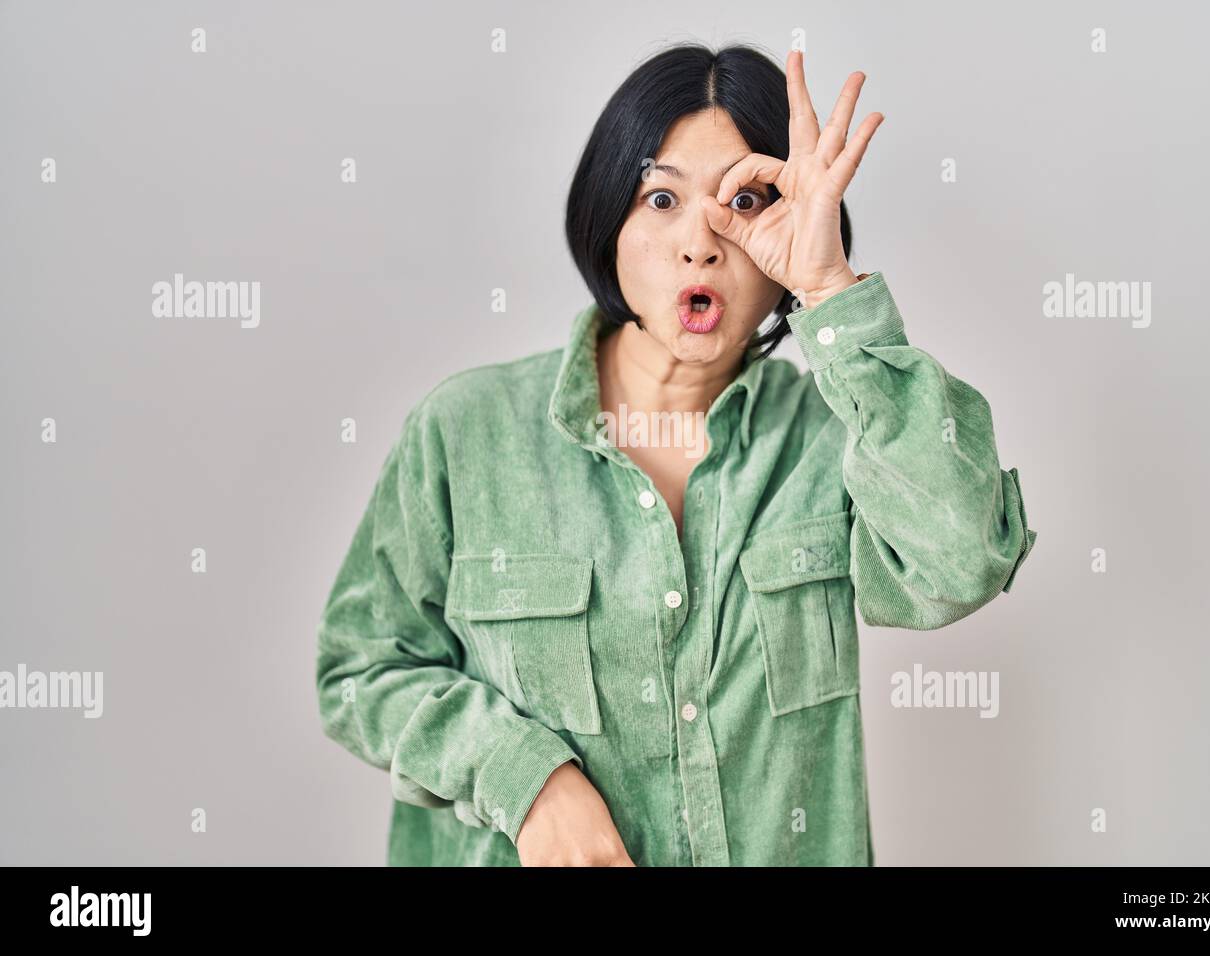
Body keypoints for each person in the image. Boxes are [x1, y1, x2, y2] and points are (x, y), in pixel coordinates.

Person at [315, 43, 1037, 867]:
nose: (701, 242)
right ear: (607, 222)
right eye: (661, 197)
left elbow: (958, 562)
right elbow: (361, 667)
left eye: (749, 201)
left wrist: (831, 289)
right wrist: (526, 779)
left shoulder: (836, 442)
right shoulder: (464, 431)